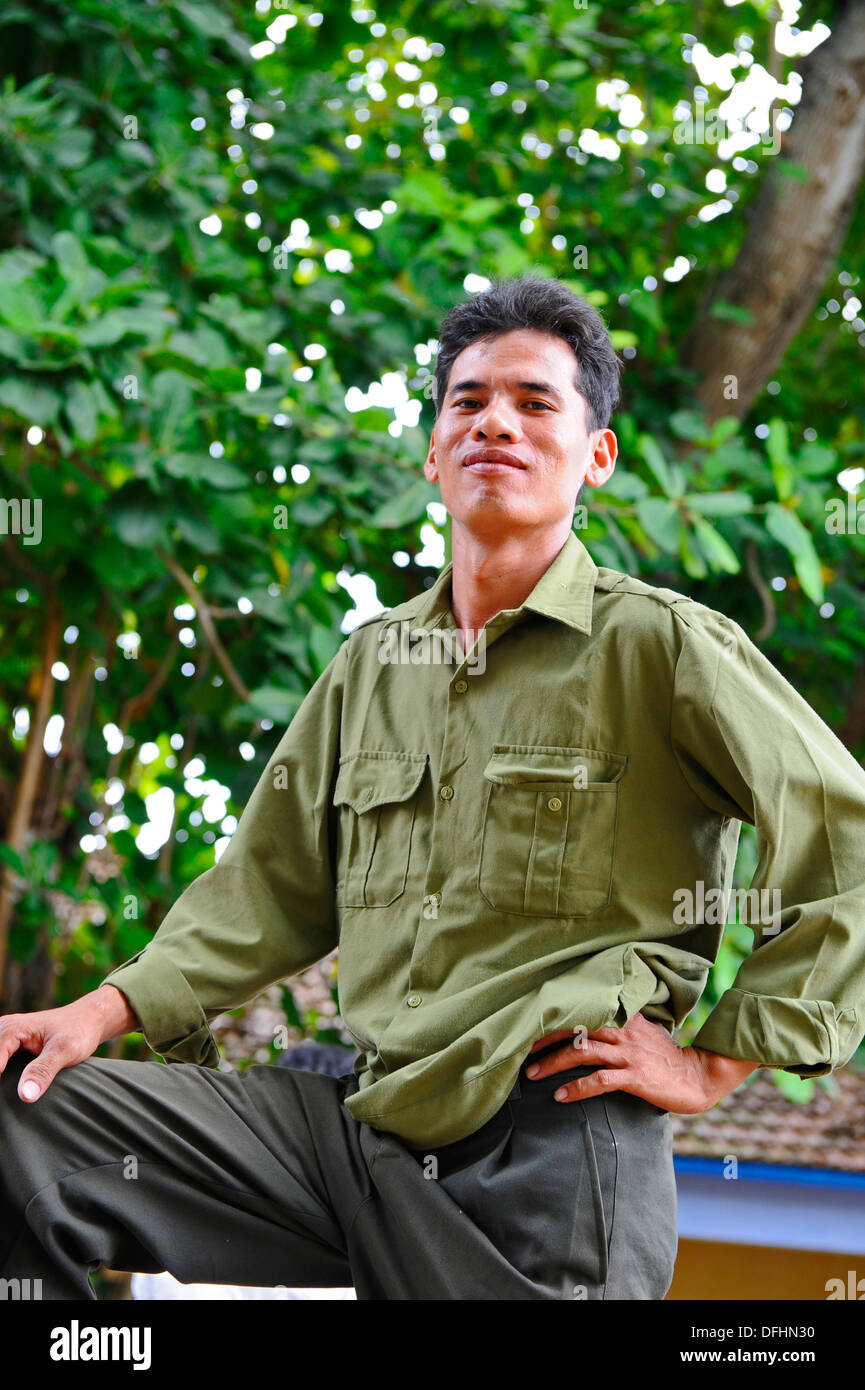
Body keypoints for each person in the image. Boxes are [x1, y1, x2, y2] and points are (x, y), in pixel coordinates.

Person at [2, 275, 865, 1302]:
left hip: (545, 1150)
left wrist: (714, 1063)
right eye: (467, 400)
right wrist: (103, 1006)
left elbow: (847, 840)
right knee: (29, 1118)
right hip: (351, 1131)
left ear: (597, 456)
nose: (494, 421)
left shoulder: (660, 645)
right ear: (430, 452)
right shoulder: (371, 664)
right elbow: (265, 891)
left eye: (535, 401)